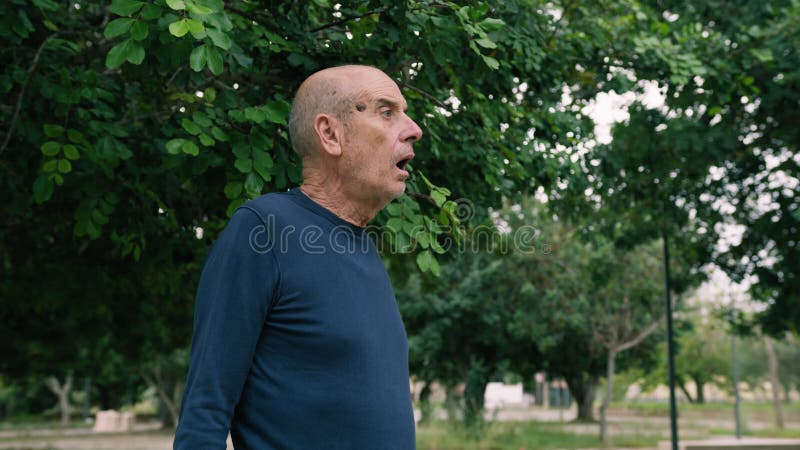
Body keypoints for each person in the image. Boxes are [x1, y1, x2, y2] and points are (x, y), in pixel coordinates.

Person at [173, 65, 424, 449]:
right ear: (330, 134)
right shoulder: (263, 230)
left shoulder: (363, 246)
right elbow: (204, 413)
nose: (413, 129)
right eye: (386, 112)